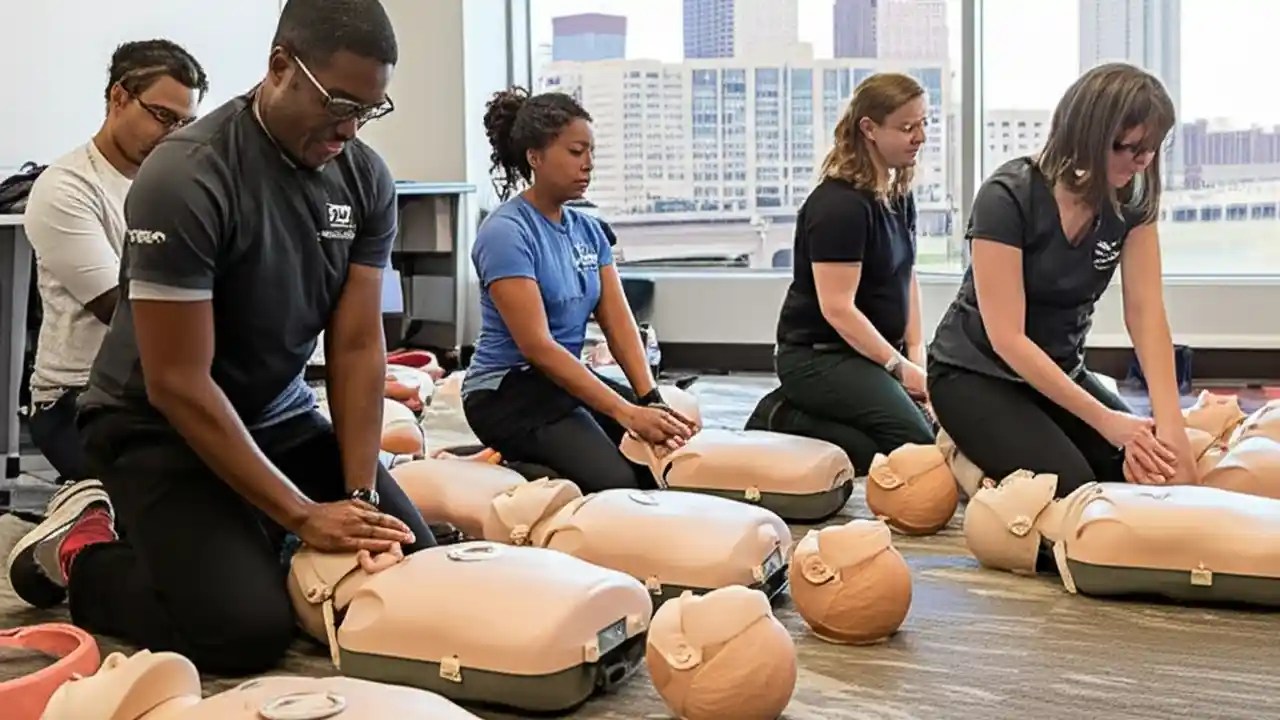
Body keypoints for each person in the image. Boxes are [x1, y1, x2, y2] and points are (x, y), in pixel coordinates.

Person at [5, 0, 434, 674]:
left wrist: (358, 498)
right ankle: (81, 552)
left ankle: (242, 530)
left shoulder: (364, 177)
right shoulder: (188, 174)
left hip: (275, 413)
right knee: (241, 633)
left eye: (368, 110)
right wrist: (300, 515)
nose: (349, 129)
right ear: (279, 67)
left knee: (414, 560)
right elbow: (178, 382)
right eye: (337, 103)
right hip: (153, 424)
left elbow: (355, 347)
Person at [927, 62, 1191, 507]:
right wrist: (1107, 421)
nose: (1142, 161)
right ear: (1087, 134)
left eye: (1151, 149)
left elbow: (1146, 314)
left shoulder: (1132, 199)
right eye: (1129, 148)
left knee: (1144, 483)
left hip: (1060, 373)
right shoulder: (1007, 196)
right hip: (975, 375)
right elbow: (1007, 339)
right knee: (1075, 496)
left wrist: (1171, 428)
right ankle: (959, 453)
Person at [461, 87, 697, 493]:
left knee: (657, 462)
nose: (587, 165)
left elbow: (618, 321)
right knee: (617, 483)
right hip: (506, 391)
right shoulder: (505, 232)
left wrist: (649, 398)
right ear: (535, 157)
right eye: (575, 152)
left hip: (560, 383)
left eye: (591, 153)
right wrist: (624, 412)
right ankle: (506, 467)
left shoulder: (589, 230)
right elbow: (537, 346)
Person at [22, 40, 208, 483]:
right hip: (78, 398)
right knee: (180, 497)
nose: (173, 135)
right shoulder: (65, 188)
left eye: (186, 124)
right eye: (163, 116)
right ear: (119, 98)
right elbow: (126, 313)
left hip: (165, 387)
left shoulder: (180, 185)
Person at [745, 72, 935, 475]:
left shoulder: (898, 194)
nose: (920, 136)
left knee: (910, 435)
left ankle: (825, 415)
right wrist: (899, 369)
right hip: (819, 357)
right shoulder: (839, 206)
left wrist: (916, 356)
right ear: (869, 128)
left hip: (873, 357)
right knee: (917, 449)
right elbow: (838, 309)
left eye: (924, 124)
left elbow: (907, 277)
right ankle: (780, 415)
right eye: (907, 127)